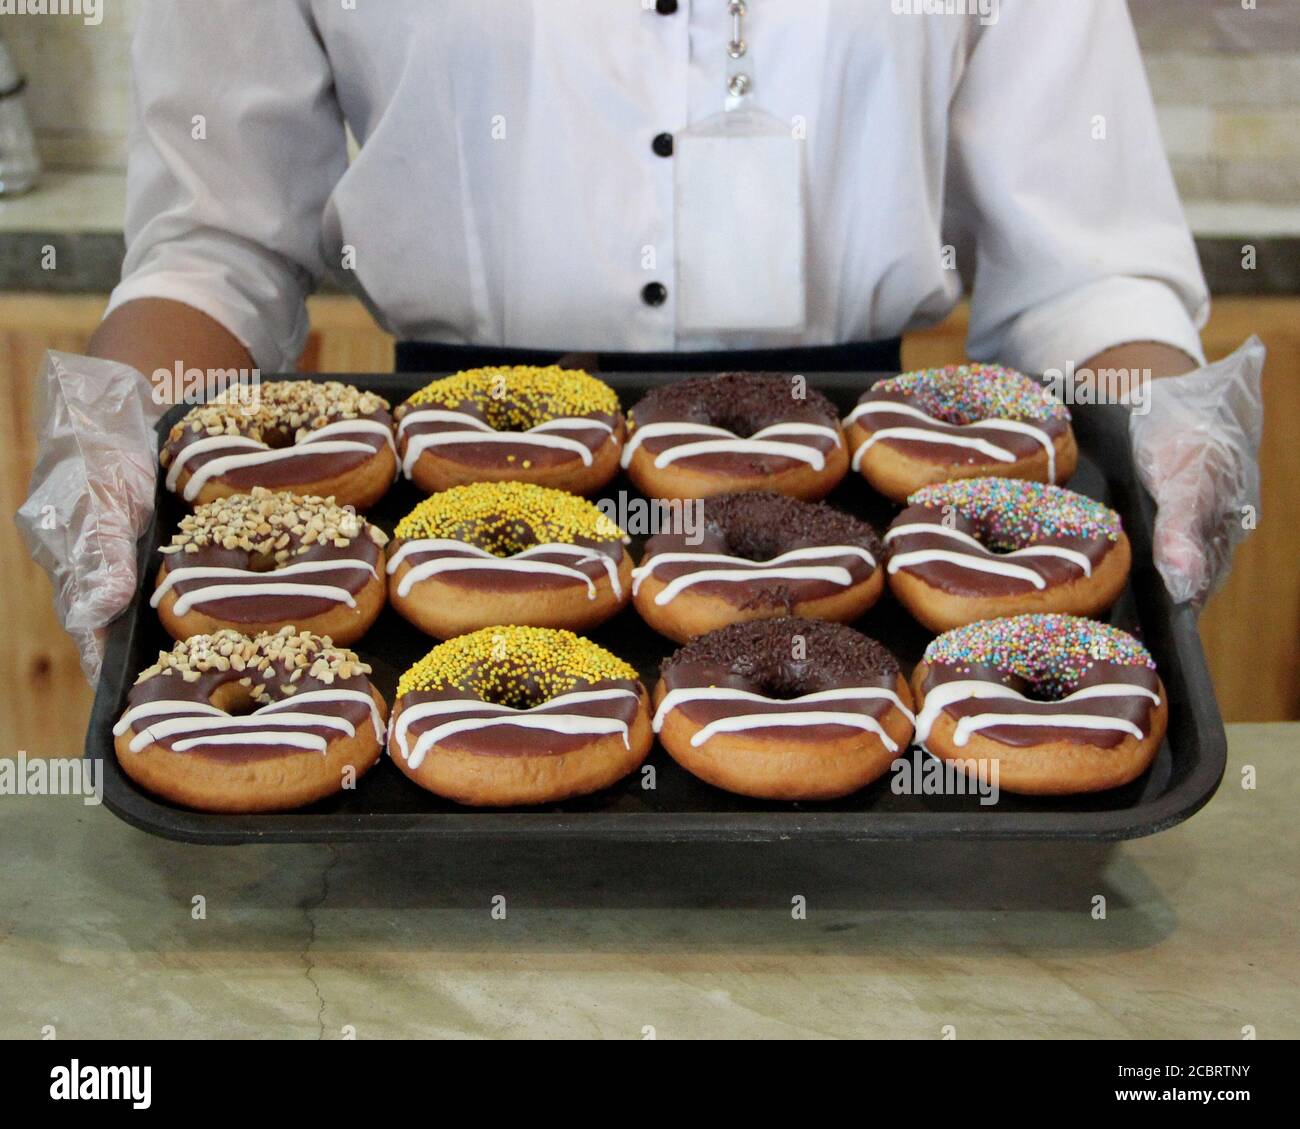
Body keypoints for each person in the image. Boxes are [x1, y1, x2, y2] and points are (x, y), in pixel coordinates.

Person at [22, 0, 1264, 677]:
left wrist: (1167, 418)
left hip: (874, 526)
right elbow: (217, 240)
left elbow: (1083, 268)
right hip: (434, 514)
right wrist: (126, 418)